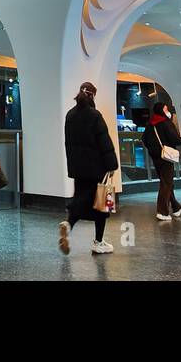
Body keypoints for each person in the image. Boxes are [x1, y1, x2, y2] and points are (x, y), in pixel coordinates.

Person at [60, 81, 119, 255]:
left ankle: (68, 224)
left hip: (78, 168)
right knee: (102, 204)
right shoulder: (95, 115)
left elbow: (69, 144)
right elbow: (104, 142)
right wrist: (112, 165)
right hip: (97, 168)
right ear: (92, 96)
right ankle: (98, 242)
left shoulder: (70, 115)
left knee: (80, 199)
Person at [142, 101, 181, 221]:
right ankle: (162, 211)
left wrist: (154, 150)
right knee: (166, 183)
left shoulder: (150, 124)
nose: (168, 112)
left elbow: (144, 139)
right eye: (166, 109)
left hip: (156, 157)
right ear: (161, 110)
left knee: (166, 181)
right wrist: (180, 139)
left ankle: (176, 207)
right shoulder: (166, 123)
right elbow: (175, 139)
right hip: (166, 156)